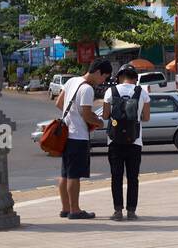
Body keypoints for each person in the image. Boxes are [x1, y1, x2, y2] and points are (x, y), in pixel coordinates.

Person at [56, 59, 112, 220]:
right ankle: (75, 210)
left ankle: (65, 208)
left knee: (65, 173)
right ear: (98, 72)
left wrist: (74, 115)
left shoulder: (72, 81)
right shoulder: (87, 89)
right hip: (78, 137)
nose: (103, 81)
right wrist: (99, 122)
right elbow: (87, 115)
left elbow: (59, 103)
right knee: (74, 175)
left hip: (66, 134)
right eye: (104, 77)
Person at [104, 64, 151, 222]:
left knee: (116, 177)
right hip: (135, 141)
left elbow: (105, 116)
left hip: (114, 141)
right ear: (135, 77)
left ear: (119, 76)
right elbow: (146, 117)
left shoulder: (111, 91)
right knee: (133, 178)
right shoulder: (142, 92)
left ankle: (118, 211)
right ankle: (131, 211)